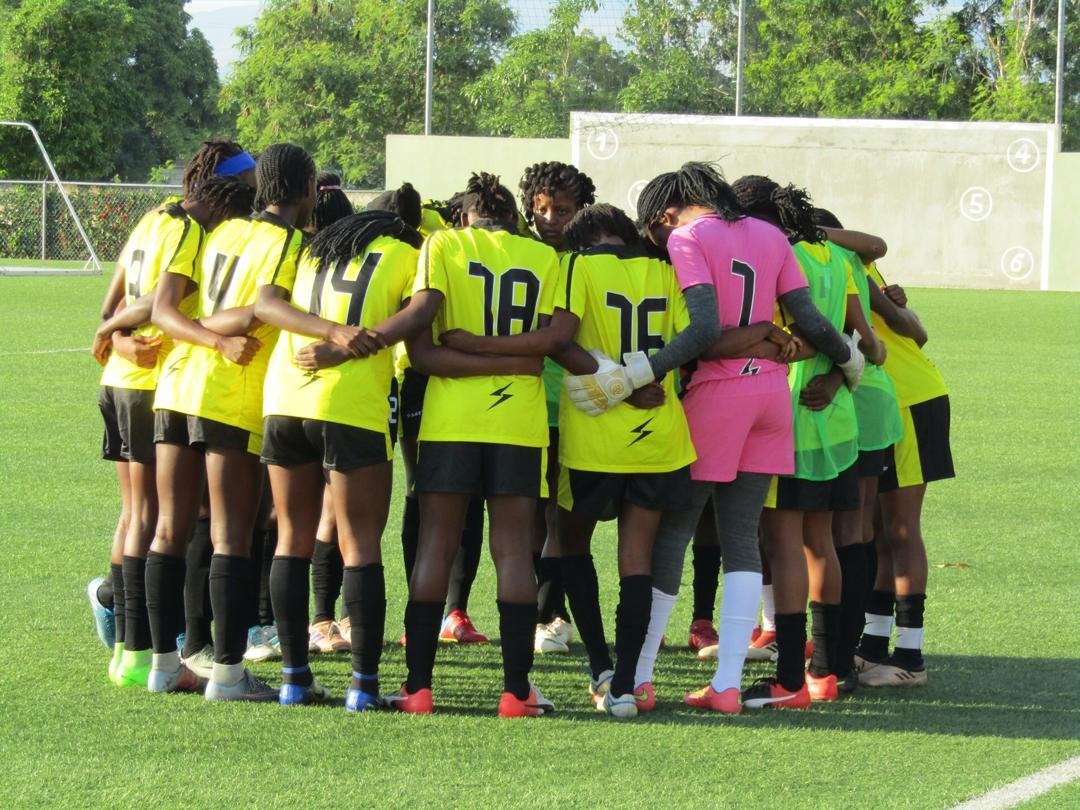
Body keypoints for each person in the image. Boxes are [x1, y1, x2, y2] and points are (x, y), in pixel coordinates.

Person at [626, 163, 862, 714]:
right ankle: (728, 685)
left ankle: (639, 677)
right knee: (739, 536)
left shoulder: (686, 236)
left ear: (666, 214)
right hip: (772, 397)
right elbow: (807, 319)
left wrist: (647, 369)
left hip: (721, 395)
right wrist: (847, 359)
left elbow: (705, 330)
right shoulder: (771, 235)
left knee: (677, 529)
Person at [446, 202, 696, 718]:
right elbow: (687, 342)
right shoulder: (664, 271)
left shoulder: (576, 265)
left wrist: (616, 387)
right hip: (658, 434)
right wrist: (640, 381)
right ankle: (625, 684)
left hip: (594, 437)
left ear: (584, 240)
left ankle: (601, 664)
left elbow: (559, 343)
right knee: (637, 559)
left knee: (568, 542)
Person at [145, 143, 315, 700]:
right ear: (305, 190)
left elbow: (180, 308)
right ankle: (227, 672)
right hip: (230, 390)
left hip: (176, 381)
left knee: (169, 529)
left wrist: (200, 329)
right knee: (231, 537)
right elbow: (267, 306)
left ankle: (164, 665)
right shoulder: (288, 240)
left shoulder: (222, 232)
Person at [386, 172, 559, 717]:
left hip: (450, 419)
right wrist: (512, 361)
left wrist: (472, 353)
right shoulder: (541, 257)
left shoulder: (441, 244)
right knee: (513, 551)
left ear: (465, 215)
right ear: (513, 216)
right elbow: (549, 346)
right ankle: (516, 693)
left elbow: (425, 356)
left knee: (436, 545)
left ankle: (418, 689)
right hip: (519, 420)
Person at [87, 139, 256, 659]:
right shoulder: (189, 230)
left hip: (121, 375)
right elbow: (155, 305)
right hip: (147, 380)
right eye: (248, 190)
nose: (252, 201)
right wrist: (116, 329)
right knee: (156, 518)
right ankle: (137, 644)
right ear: (226, 188)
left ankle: (125, 622)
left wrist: (110, 334)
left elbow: (112, 304)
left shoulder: (151, 218)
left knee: (139, 512)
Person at [255, 210, 426, 708]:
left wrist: (328, 334)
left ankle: (293, 678)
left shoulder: (311, 253)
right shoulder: (407, 253)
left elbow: (268, 304)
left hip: (285, 399)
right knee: (360, 545)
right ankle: (363, 686)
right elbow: (420, 313)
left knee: (291, 538)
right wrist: (348, 344)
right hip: (351, 407)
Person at [733, 174, 877, 706]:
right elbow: (859, 336)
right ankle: (826, 669)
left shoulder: (776, 256)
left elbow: (784, 331)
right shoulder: (838, 260)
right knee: (822, 542)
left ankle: (790, 677)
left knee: (783, 544)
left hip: (788, 413)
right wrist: (839, 376)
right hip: (836, 420)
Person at [367, 183, 490, 646]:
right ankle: (427, 613)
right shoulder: (412, 246)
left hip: (438, 374)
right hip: (415, 376)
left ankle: (453, 612)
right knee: (426, 492)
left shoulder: (441, 240)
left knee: (451, 492)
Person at [811, 208, 903, 691]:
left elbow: (876, 244)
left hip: (857, 398)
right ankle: (847, 654)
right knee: (855, 530)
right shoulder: (838, 257)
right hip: (865, 394)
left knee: (844, 530)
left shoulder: (825, 253)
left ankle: (842, 656)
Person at [856, 255, 953, 689]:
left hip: (909, 401)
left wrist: (891, 305)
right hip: (884, 403)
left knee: (900, 528)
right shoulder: (846, 263)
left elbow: (918, 333)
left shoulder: (846, 263)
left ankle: (911, 656)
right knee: (878, 528)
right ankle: (874, 646)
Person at [518, 161, 597, 654]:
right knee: (528, 513)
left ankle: (553, 611)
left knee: (565, 516)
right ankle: (538, 611)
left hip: (578, 404)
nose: (550, 218)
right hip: (527, 404)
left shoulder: (589, 260)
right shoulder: (522, 257)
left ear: (582, 210)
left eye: (562, 209)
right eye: (541, 208)